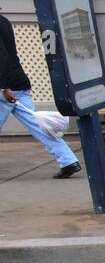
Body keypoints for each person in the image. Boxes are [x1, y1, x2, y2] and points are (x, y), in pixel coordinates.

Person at [0, 9, 81, 178]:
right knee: (39, 125)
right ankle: (68, 161)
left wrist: (4, 87)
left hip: (6, 88)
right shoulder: (4, 21)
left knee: (38, 124)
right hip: (18, 82)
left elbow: (2, 58)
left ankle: (68, 161)